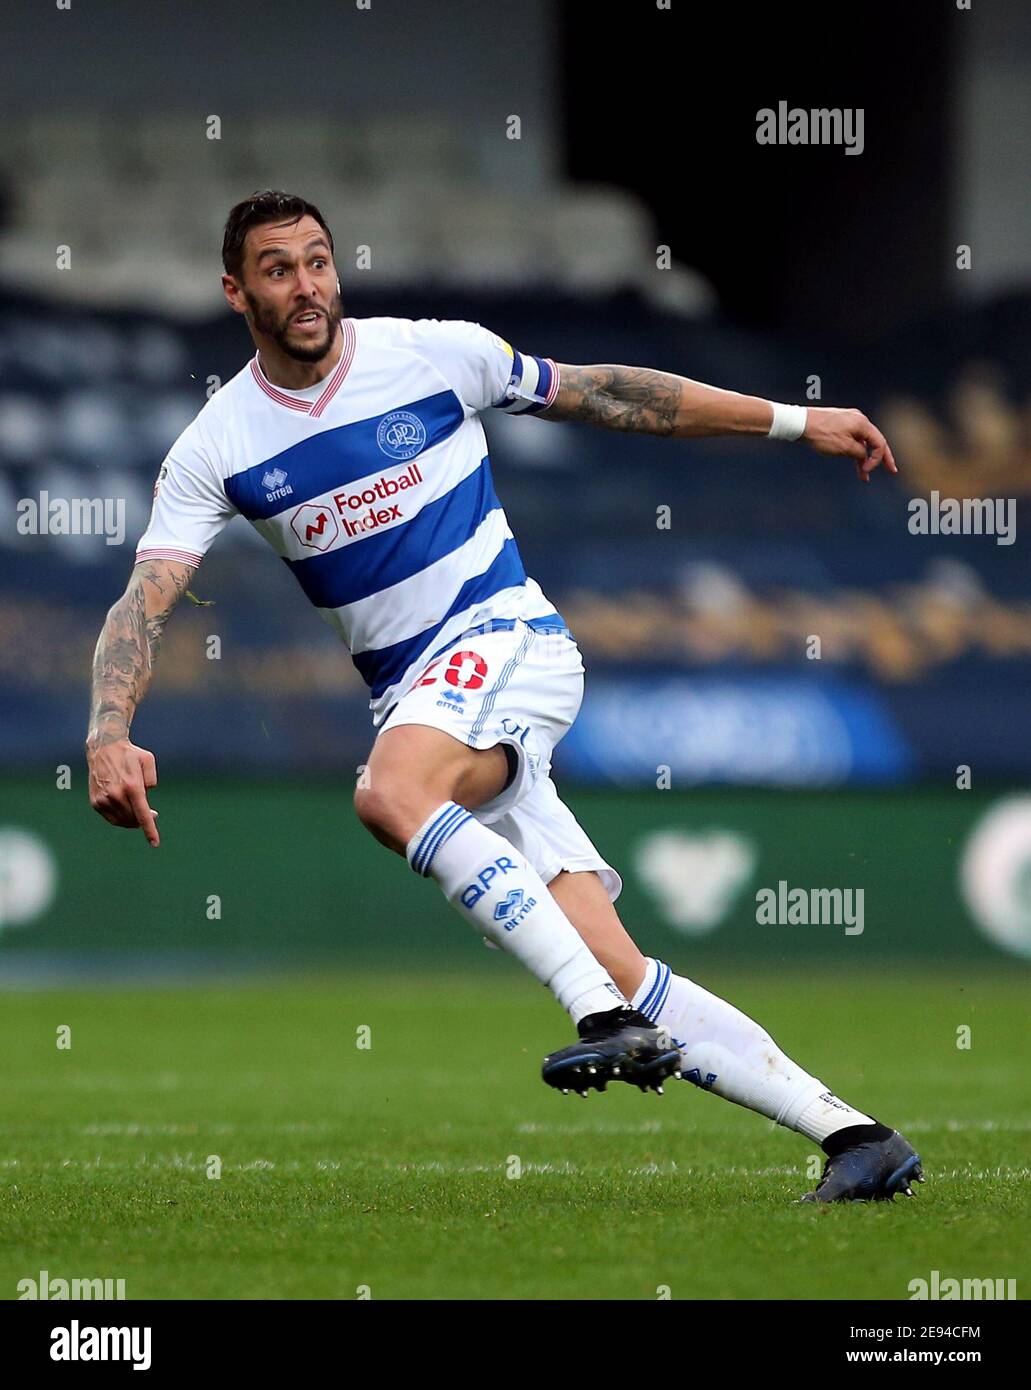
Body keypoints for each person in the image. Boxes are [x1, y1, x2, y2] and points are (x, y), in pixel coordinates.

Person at [86, 191, 922, 1202]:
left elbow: (614, 395)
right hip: (422, 700)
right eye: (277, 269)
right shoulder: (216, 445)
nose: (305, 286)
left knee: (390, 794)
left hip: (508, 643)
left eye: (317, 261)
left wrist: (795, 420)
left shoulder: (435, 354)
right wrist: (107, 730)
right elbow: (144, 600)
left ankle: (598, 1019)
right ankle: (856, 1138)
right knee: (620, 963)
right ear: (235, 291)